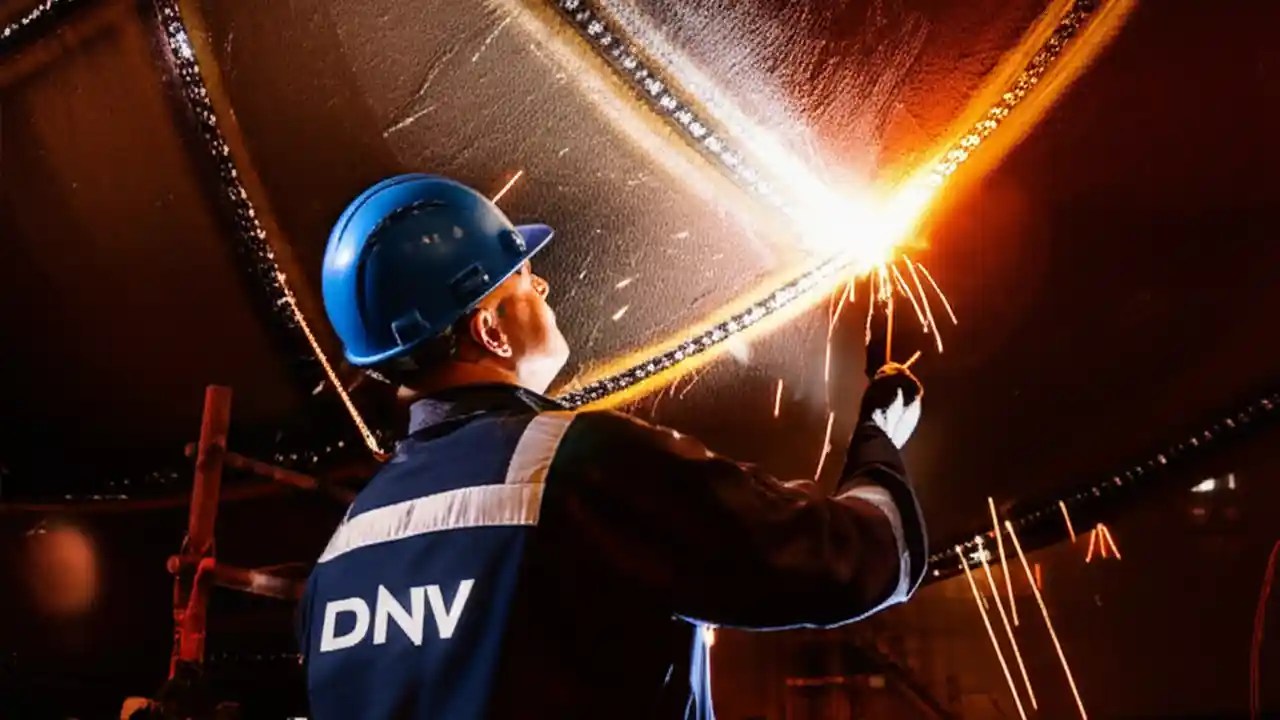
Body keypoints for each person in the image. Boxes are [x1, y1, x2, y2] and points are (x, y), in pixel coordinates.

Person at [299, 173, 928, 719]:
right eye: (520, 276)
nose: (541, 286)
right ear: (489, 330)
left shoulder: (345, 544)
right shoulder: (581, 463)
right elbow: (853, 562)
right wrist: (879, 440)